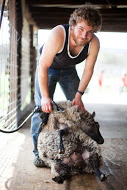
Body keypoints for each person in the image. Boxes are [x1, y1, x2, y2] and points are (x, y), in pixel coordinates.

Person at [31, 4, 102, 167]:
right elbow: (42, 66)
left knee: (79, 110)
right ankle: (38, 154)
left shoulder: (94, 43)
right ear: (73, 25)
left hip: (69, 70)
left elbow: (88, 70)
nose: (85, 35)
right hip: (48, 69)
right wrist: (46, 97)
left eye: (90, 31)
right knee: (41, 110)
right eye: (81, 29)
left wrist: (78, 95)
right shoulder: (58, 34)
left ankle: (79, 150)